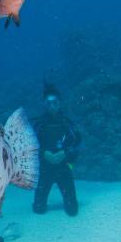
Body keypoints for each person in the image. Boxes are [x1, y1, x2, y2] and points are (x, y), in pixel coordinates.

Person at [31, 82, 81, 216]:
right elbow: (31, 147)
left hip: (64, 168)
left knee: (72, 210)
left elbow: (78, 144)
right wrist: (44, 153)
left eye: (55, 102)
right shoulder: (39, 125)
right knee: (38, 209)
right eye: (48, 103)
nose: (52, 106)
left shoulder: (68, 123)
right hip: (45, 169)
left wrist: (65, 153)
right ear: (44, 104)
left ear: (60, 103)